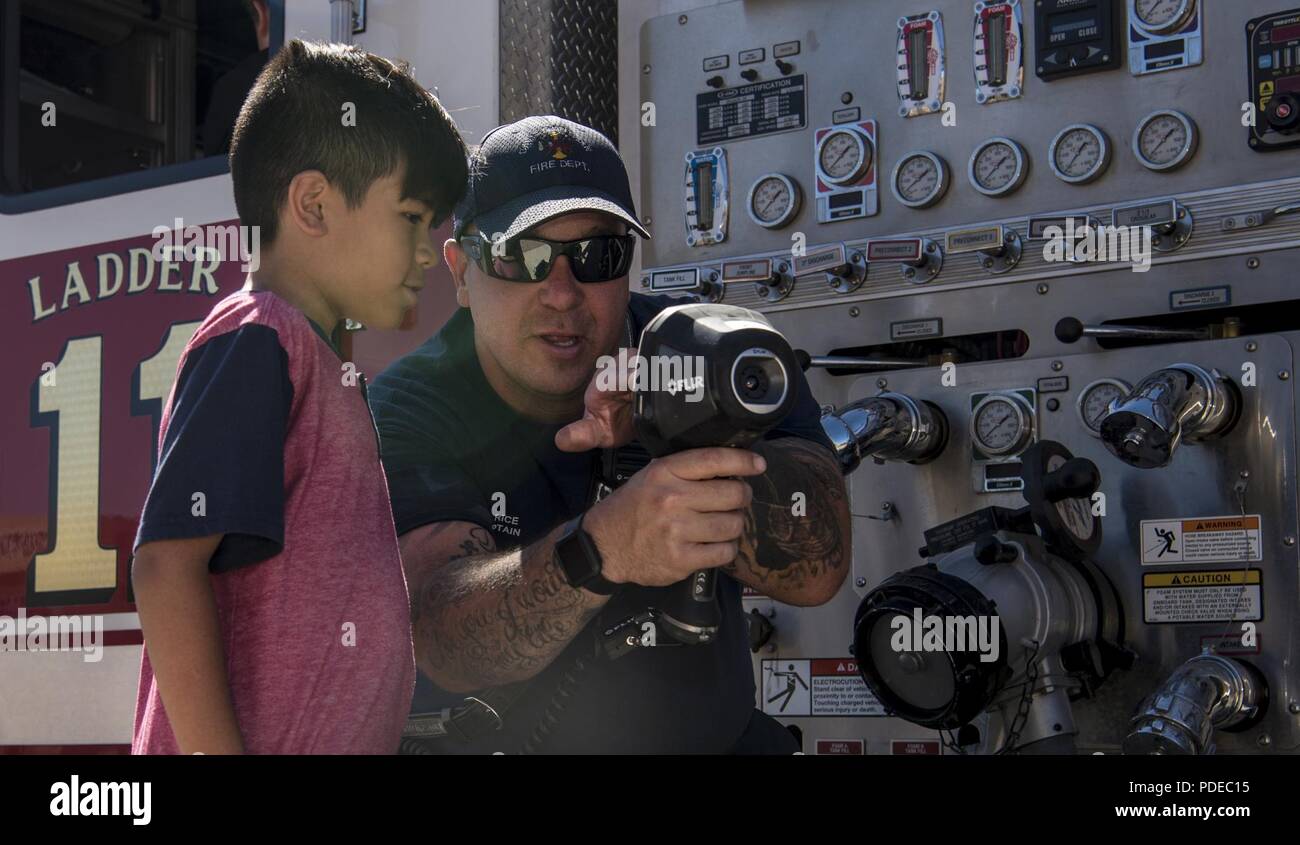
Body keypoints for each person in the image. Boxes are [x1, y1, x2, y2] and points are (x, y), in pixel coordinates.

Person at [369, 115, 851, 754]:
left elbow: (820, 570)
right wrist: (601, 550)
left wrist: (688, 441)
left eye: (599, 255)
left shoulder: (710, 353)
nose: (563, 294)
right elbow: (441, 638)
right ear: (460, 271)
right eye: (525, 256)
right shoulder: (411, 407)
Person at [130, 40, 468, 754]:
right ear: (313, 203)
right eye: (411, 216)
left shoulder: (317, 361)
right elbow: (166, 566)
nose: (425, 252)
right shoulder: (260, 340)